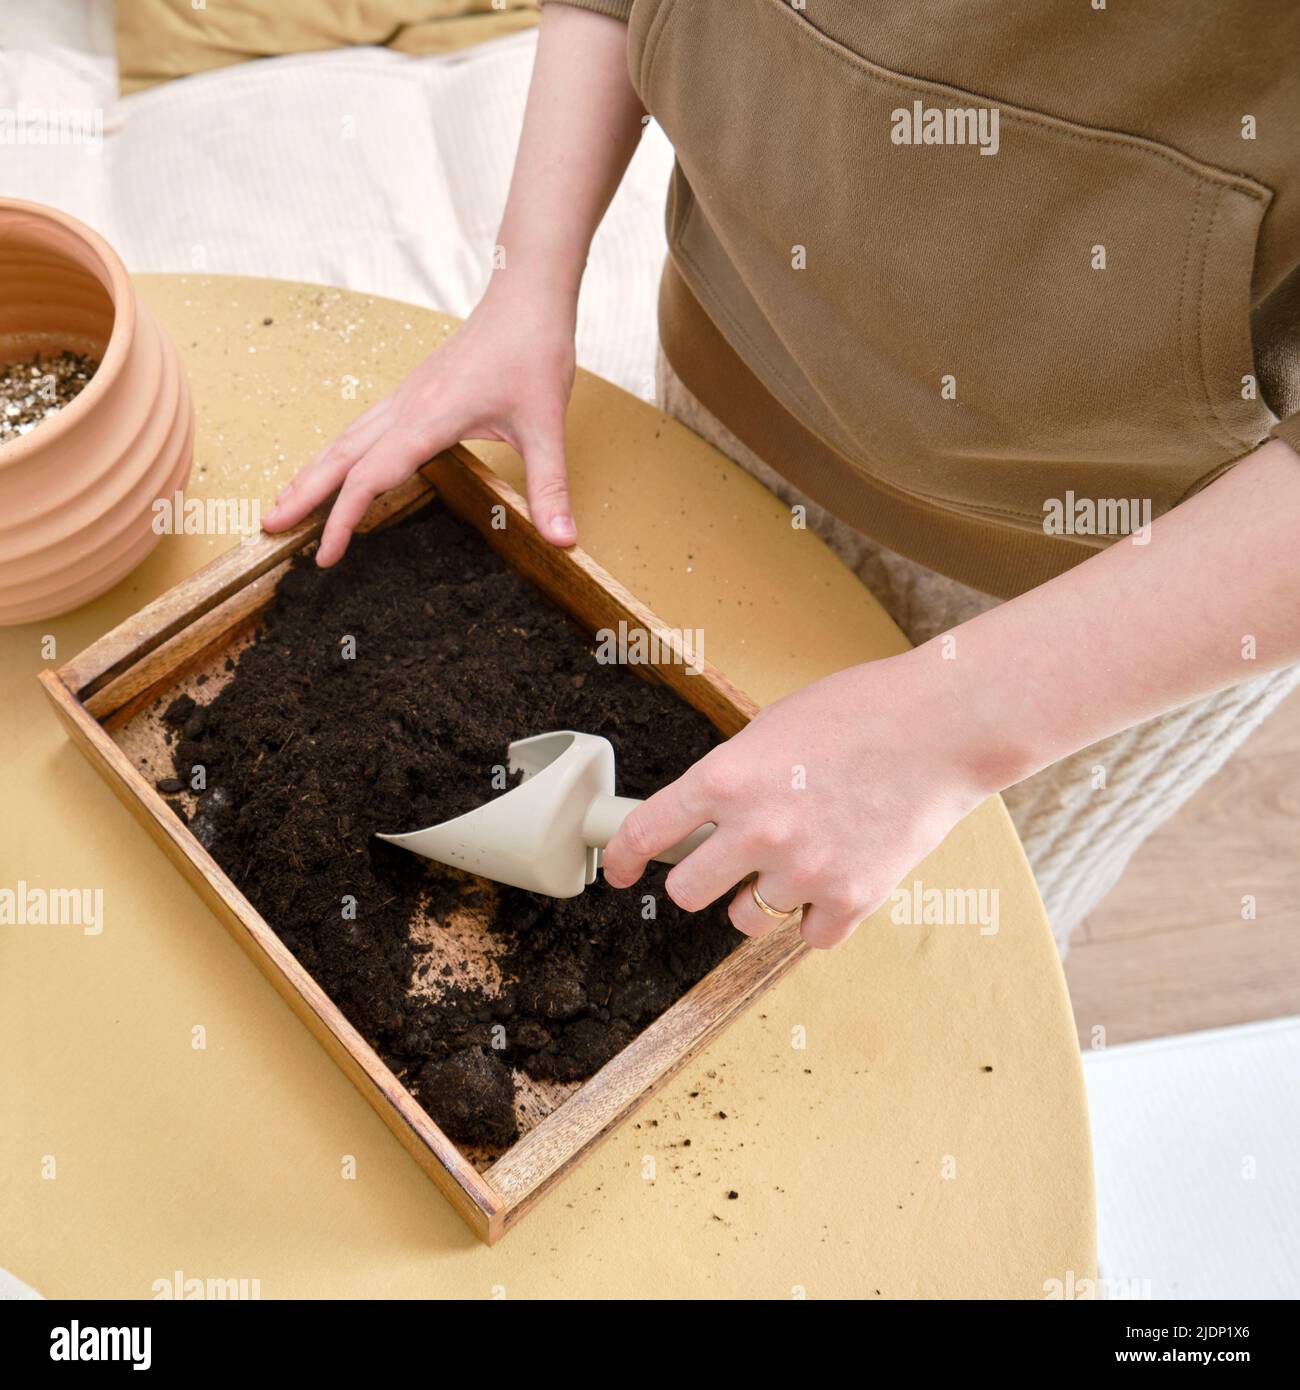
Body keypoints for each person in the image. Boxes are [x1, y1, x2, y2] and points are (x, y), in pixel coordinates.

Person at [264, 0, 1300, 954]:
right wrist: (526, 275)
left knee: (940, 947)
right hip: (731, 389)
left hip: (1112, 588)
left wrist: (948, 739)